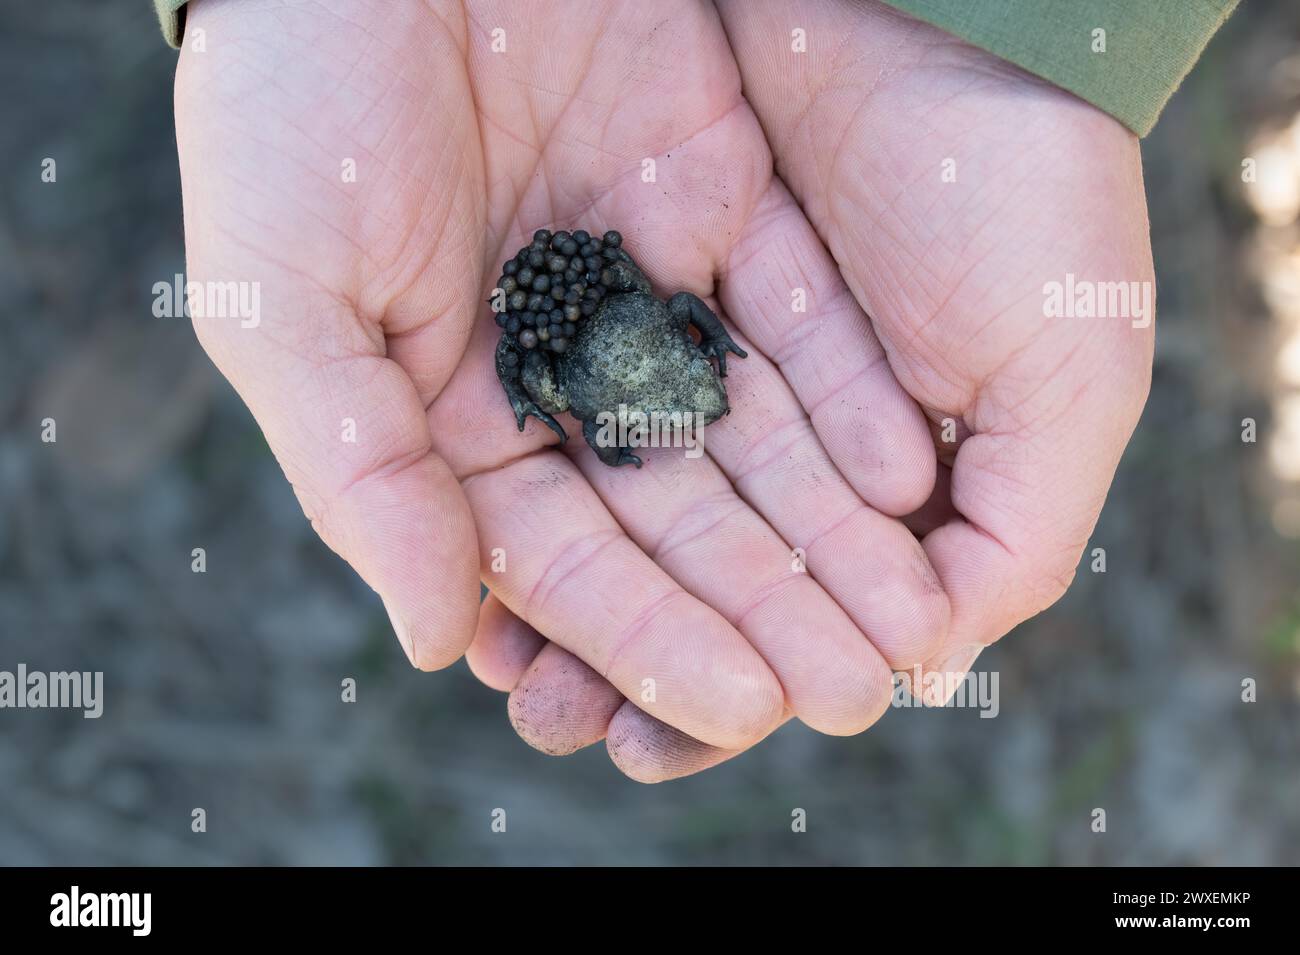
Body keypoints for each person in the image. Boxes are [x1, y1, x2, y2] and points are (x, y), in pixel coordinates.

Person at [158, 0, 1237, 781]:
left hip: (610, 321)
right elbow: (598, 356)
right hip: (585, 322)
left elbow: (648, 322)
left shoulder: (641, 335)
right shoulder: (590, 351)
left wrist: (995, 31)